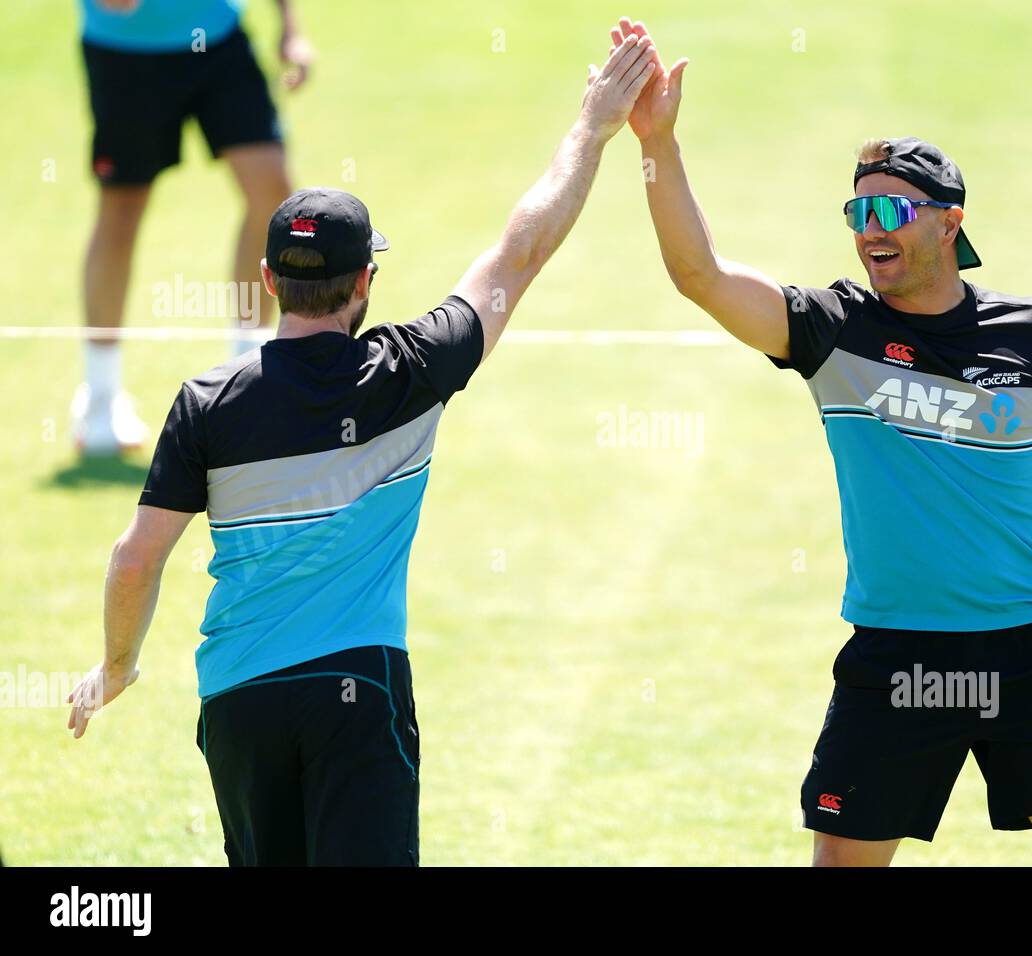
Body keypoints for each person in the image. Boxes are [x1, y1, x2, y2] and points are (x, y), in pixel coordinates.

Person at [65, 31, 661, 865]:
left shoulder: (206, 405)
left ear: (268, 280)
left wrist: (116, 665)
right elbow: (518, 251)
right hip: (356, 693)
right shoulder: (411, 370)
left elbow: (136, 561)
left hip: (237, 702)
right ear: (365, 284)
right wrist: (593, 127)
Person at [619, 17, 1032, 866]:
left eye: (888, 208)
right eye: (856, 210)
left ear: (947, 221)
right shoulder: (832, 328)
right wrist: (658, 145)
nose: (867, 228)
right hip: (896, 660)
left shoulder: (1030, 334)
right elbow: (698, 275)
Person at [73, 0, 314, 455]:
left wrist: (289, 26)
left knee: (273, 197)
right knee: (122, 209)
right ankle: (100, 399)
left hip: (218, 39)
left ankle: (251, 382)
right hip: (123, 53)